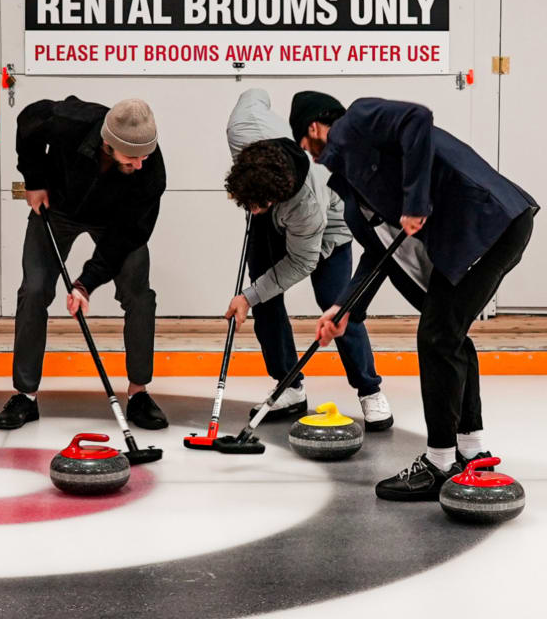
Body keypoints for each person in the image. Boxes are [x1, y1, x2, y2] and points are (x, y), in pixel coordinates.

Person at [300, 92, 537, 501]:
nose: (310, 154)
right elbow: (377, 256)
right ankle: (471, 451)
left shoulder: (357, 119)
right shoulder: (354, 191)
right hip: (476, 235)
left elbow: (416, 119)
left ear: (314, 127)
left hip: (487, 221)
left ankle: (439, 463)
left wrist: (414, 202)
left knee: (438, 337)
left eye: (305, 144)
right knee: (449, 336)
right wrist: (343, 307)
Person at [0, 96, 167, 431]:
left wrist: (85, 283)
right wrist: (34, 180)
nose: (140, 164)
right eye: (131, 157)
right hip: (58, 209)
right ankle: (25, 395)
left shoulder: (150, 171)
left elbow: (129, 233)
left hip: (116, 223)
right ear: (108, 144)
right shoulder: (69, 121)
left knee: (139, 294)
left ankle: (139, 393)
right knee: (34, 290)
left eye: (145, 155)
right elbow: (28, 119)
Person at [222, 89, 392, 429]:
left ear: (276, 198)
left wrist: (247, 296)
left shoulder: (307, 207)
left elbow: (302, 262)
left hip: (328, 226)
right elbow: (255, 95)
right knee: (264, 299)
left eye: (258, 205)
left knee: (336, 304)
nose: (252, 210)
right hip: (273, 212)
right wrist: (254, 296)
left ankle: (369, 389)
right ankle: (289, 386)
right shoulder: (243, 129)